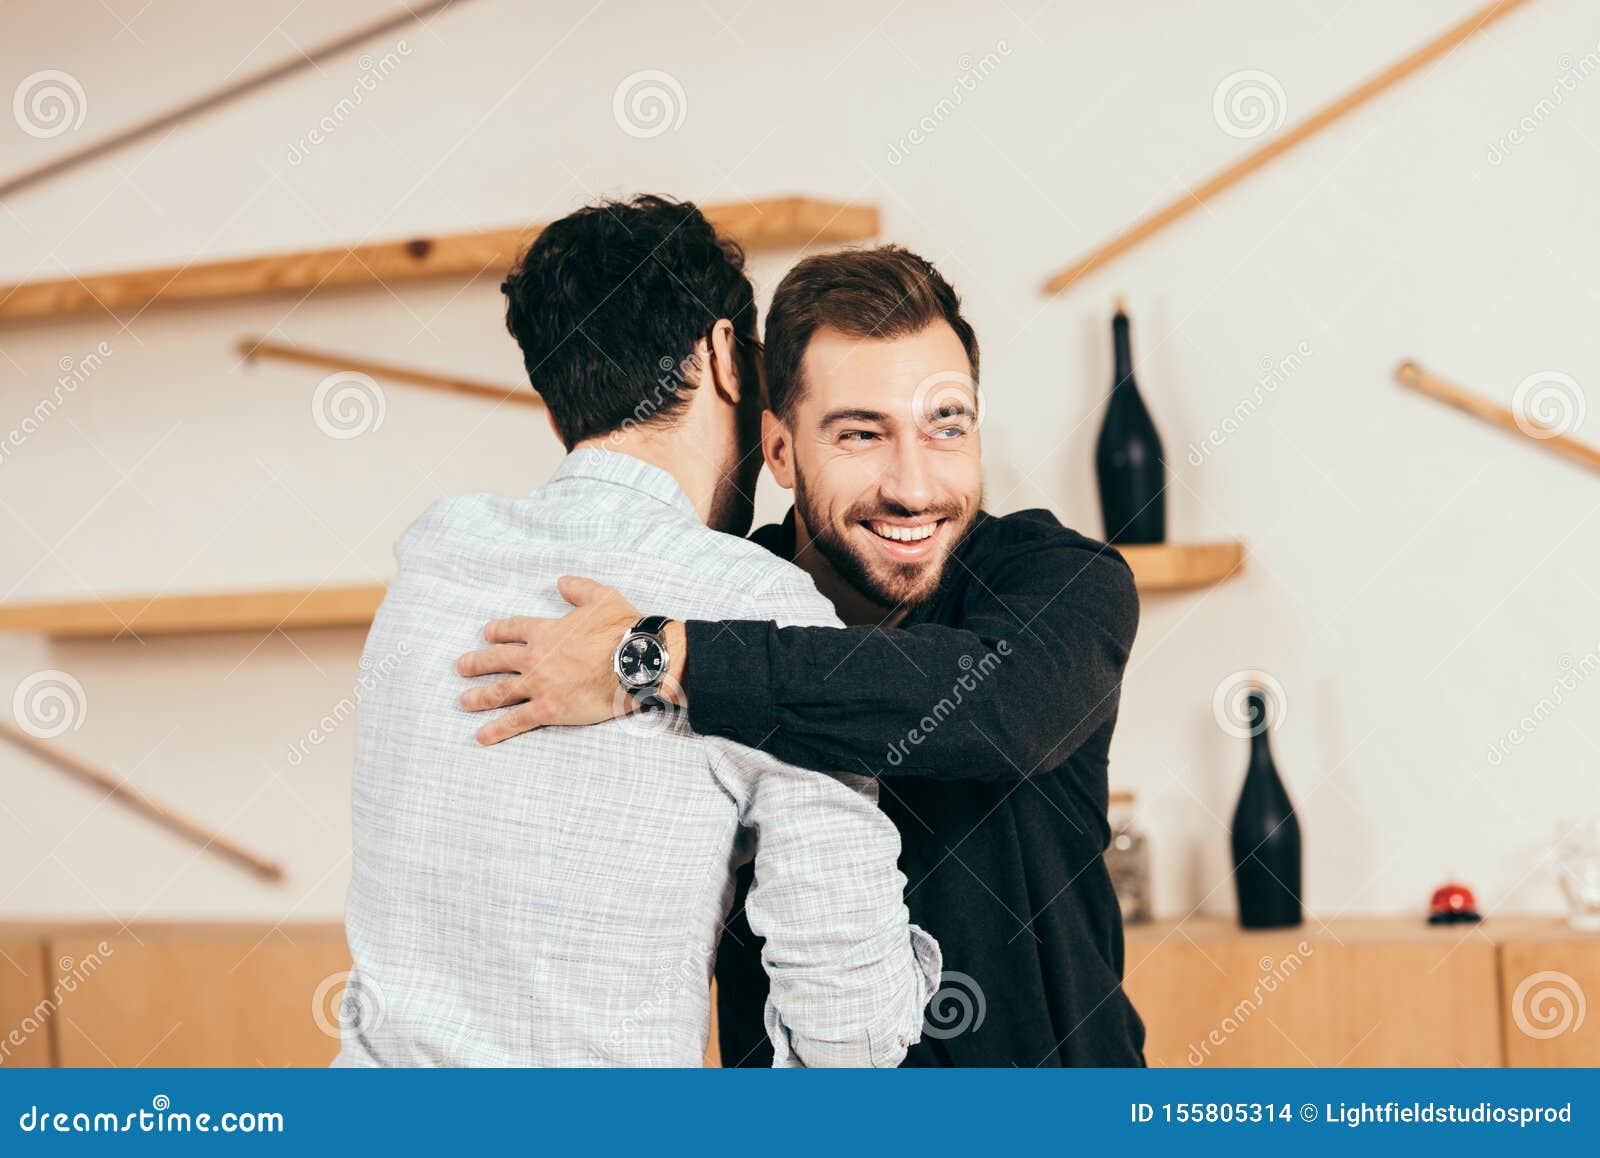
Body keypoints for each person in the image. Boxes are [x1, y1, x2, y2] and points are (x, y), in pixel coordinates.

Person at [455, 245, 1146, 1067]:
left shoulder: (1063, 581)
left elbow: (1006, 708)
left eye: (946, 426)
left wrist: (660, 660)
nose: (914, 487)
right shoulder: (716, 598)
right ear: (780, 451)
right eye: (861, 434)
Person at [337, 197, 938, 1068]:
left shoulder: (435, 556)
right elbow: (850, 1031)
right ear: (726, 354)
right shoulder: (763, 603)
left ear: (558, 411)